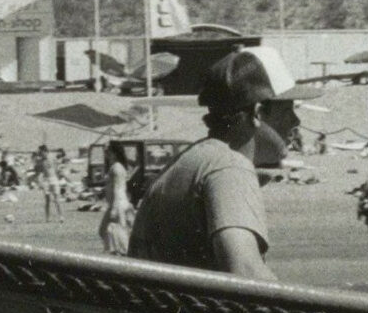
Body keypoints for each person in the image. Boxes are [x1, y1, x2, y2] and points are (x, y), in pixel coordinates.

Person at [128, 47, 299, 282]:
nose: (296, 122)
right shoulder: (229, 168)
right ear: (258, 113)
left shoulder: (194, 159)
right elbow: (246, 273)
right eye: (288, 111)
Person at [99, 141, 134, 254]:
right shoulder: (114, 167)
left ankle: (121, 255)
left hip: (119, 204)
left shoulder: (117, 168)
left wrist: (114, 209)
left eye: (107, 152)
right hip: (116, 204)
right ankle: (116, 253)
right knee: (106, 231)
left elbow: (118, 189)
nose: (106, 154)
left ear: (114, 153)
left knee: (115, 233)